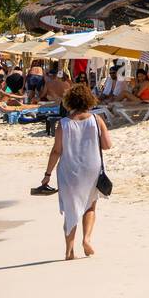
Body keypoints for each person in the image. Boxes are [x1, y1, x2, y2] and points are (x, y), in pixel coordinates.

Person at [37, 83, 112, 260]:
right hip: (91, 167)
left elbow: (56, 151)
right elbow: (107, 145)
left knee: (71, 209)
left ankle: (69, 252)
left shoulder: (63, 124)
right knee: (90, 205)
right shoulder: (96, 120)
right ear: (89, 100)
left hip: (69, 170)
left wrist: (47, 175)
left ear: (69, 101)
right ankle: (86, 239)